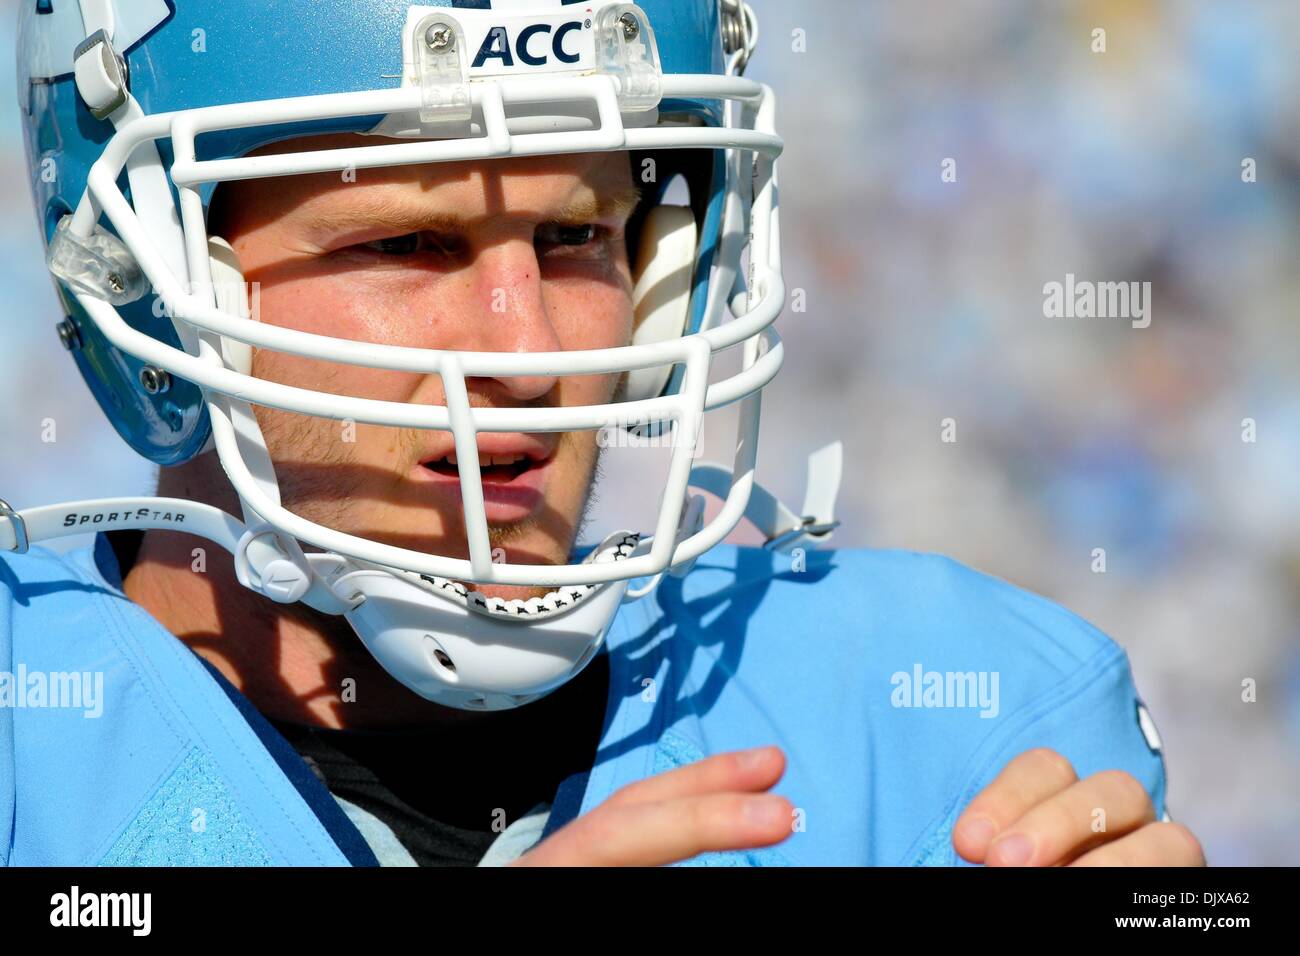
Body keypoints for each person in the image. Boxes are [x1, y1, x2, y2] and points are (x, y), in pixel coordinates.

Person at [0, 0, 1202, 867]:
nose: (527, 353)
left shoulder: (931, 714)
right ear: (147, 286)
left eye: (579, 236)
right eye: (406, 243)